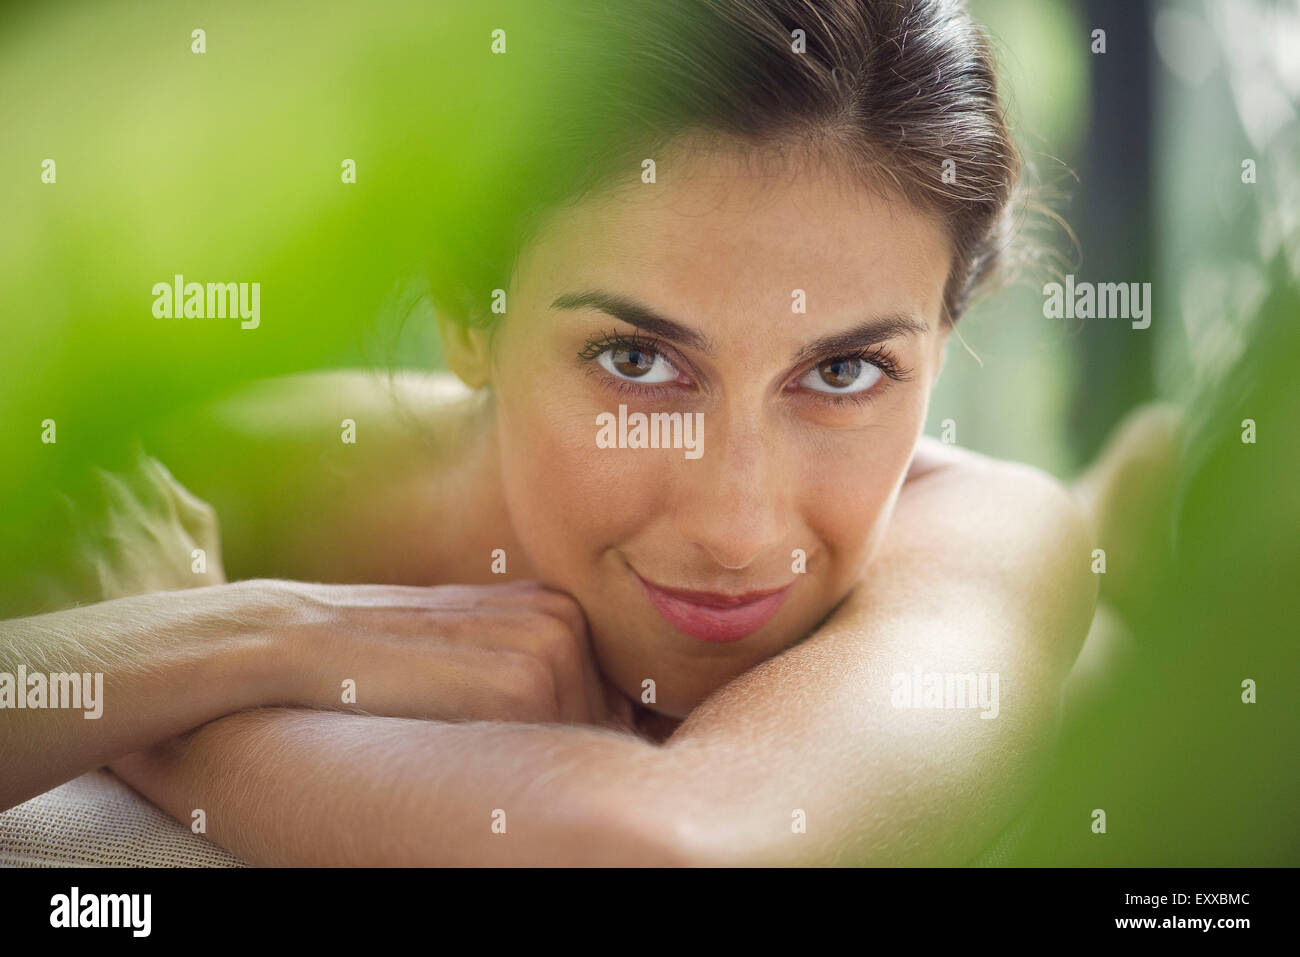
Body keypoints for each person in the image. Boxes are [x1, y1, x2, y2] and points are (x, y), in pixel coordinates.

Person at [0, 0, 1102, 865]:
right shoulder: (254, 475)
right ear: (467, 322)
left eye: (846, 371)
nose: (735, 526)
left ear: (948, 337)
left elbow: (679, 847)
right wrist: (281, 631)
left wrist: (191, 716)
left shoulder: (983, 538)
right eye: (636, 361)